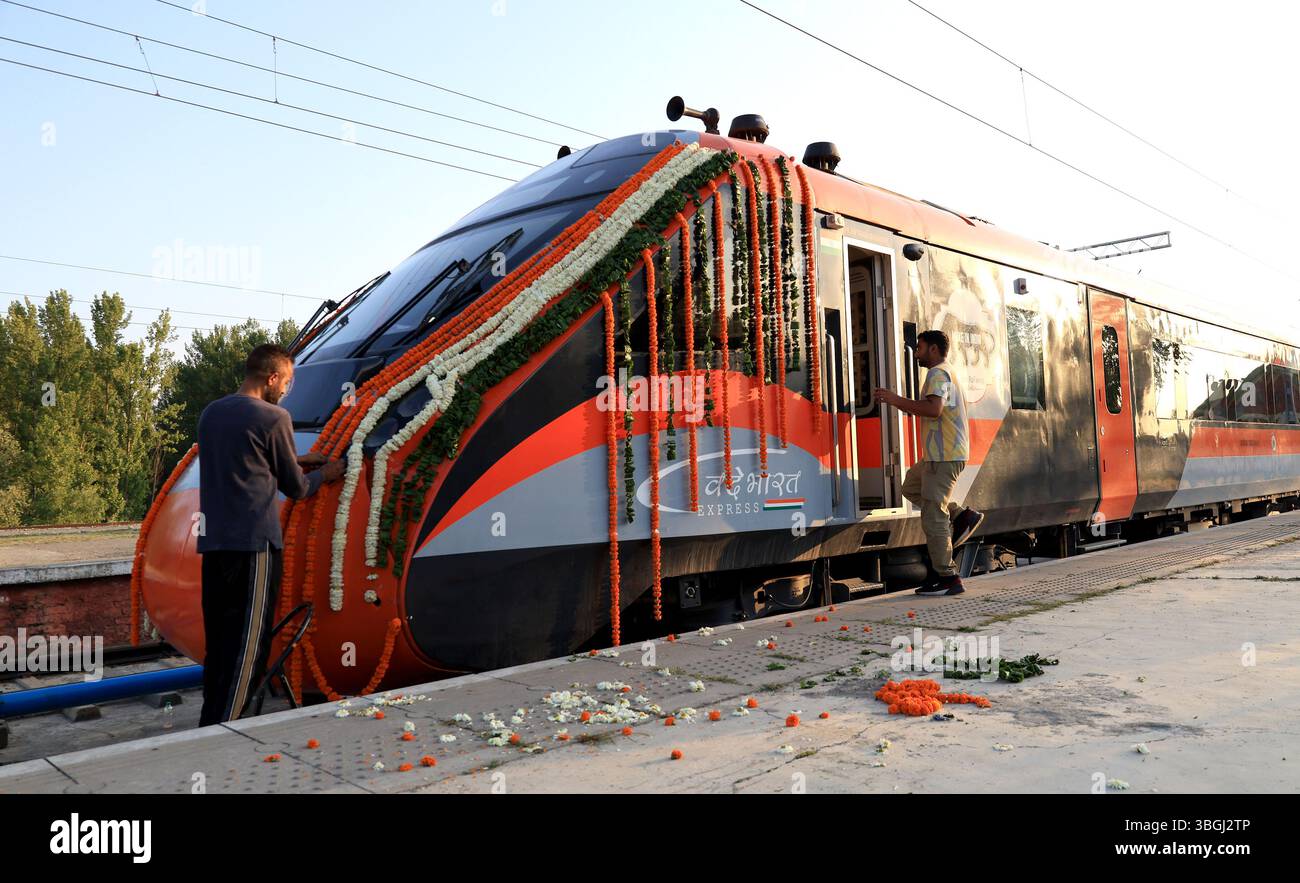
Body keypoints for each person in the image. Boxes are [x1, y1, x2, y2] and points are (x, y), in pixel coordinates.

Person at [195, 343, 344, 725]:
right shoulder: (274, 417)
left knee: (221, 642)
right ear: (272, 378)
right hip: (254, 545)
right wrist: (326, 472)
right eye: (288, 382)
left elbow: (243, 459)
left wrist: (293, 458)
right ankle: (228, 727)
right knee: (249, 644)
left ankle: (208, 718)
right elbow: (296, 488)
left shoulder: (211, 413)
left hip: (214, 546)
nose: (287, 390)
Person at [874, 329, 983, 596]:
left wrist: (894, 399)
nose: (917, 353)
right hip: (937, 455)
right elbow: (931, 407)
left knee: (934, 515)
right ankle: (960, 515)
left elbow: (934, 409)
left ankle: (948, 578)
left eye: (920, 348)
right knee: (910, 487)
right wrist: (901, 404)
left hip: (944, 455)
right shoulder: (946, 371)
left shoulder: (938, 373)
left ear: (933, 349)